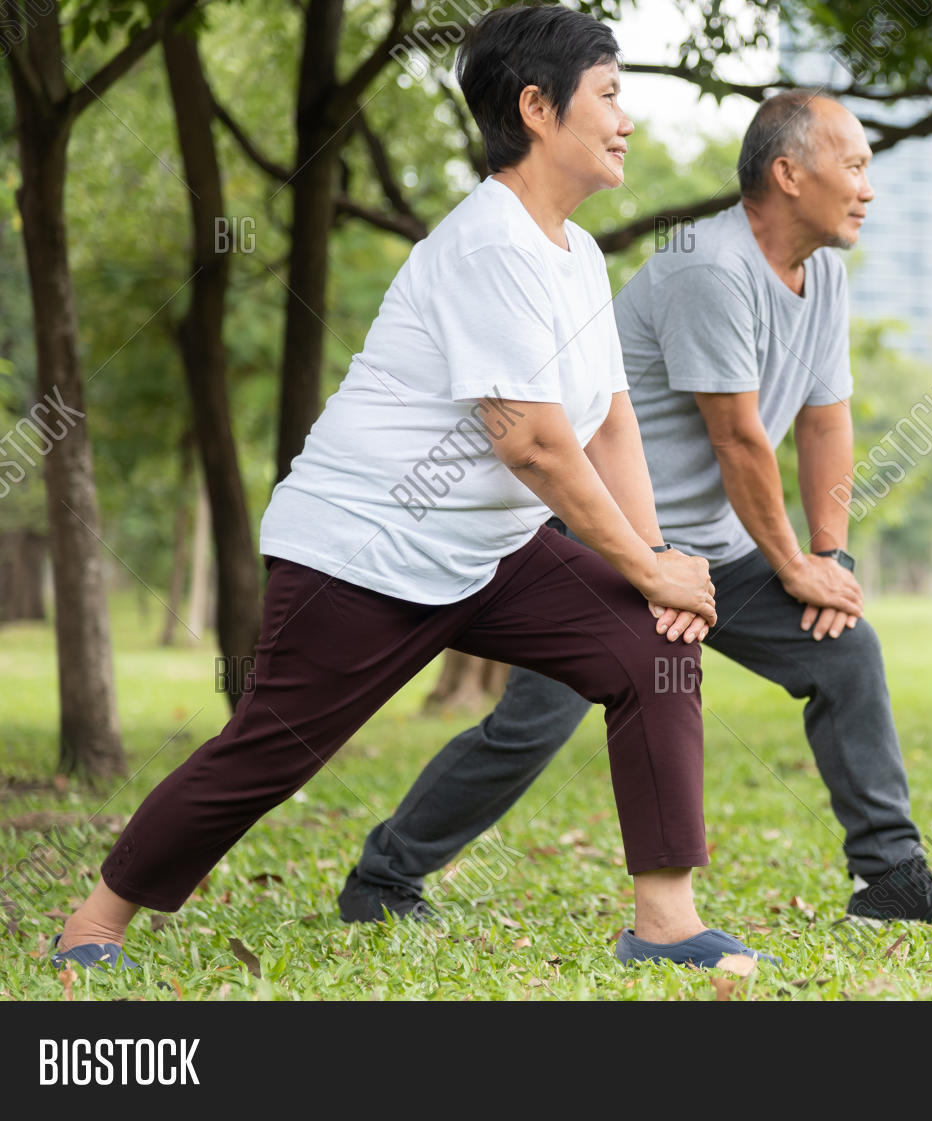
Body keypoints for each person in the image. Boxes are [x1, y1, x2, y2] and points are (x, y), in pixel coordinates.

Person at [50, 4, 769, 974]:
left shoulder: (578, 254)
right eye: (609, 95)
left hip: (489, 550)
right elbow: (534, 443)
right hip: (363, 547)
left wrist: (658, 572)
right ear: (537, 108)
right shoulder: (488, 245)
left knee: (656, 645)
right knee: (270, 750)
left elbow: (608, 425)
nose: (626, 119)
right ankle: (92, 924)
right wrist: (648, 561)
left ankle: (667, 924)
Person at [339, 90, 932, 930]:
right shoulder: (710, 268)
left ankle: (890, 878)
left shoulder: (821, 272)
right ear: (789, 174)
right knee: (536, 722)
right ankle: (384, 877)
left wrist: (832, 558)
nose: (868, 188)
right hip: (614, 541)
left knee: (845, 653)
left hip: (720, 548)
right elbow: (740, 440)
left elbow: (826, 417)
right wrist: (793, 565)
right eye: (854, 167)